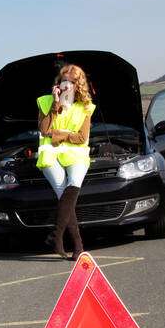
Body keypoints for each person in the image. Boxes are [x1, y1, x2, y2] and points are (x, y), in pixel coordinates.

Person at [36, 64, 94, 259]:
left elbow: (81, 137)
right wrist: (55, 103)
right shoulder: (45, 102)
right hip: (50, 154)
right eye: (64, 81)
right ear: (58, 84)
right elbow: (44, 130)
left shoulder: (85, 107)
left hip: (76, 154)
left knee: (73, 187)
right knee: (64, 195)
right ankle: (78, 246)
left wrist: (57, 134)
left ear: (78, 86)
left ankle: (57, 236)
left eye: (72, 82)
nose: (67, 85)